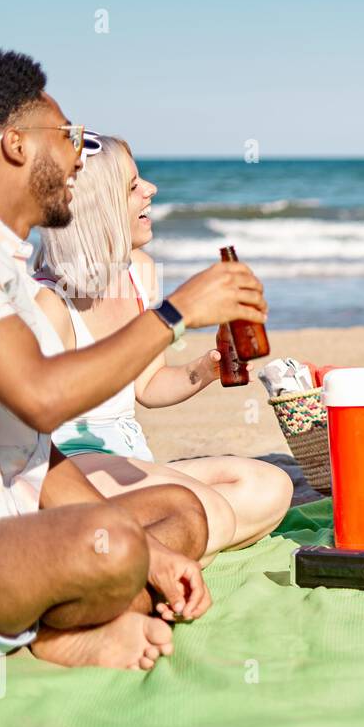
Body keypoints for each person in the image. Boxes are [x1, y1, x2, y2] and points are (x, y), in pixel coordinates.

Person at [0, 49, 267, 671]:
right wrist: (175, 312)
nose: (79, 155)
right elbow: (44, 396)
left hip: (12, 528)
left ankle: (94, 609)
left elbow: (38, 454)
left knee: (178, 516)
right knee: (115, 543)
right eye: (69, 136)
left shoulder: (4, 262)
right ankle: (56, 634)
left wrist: (157, 557)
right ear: (16, 145)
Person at [32, 135, 292, 562]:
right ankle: (141, 545)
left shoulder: (141, 274)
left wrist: (209, 367)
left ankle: (136, 544)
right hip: (73, 469)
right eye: (132, 186)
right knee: (208, 512)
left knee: (271, 487)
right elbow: (36, 426)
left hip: (132, 460)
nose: (150, 189)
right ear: (98, 208)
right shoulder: (49, 302)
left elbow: (149, 386)